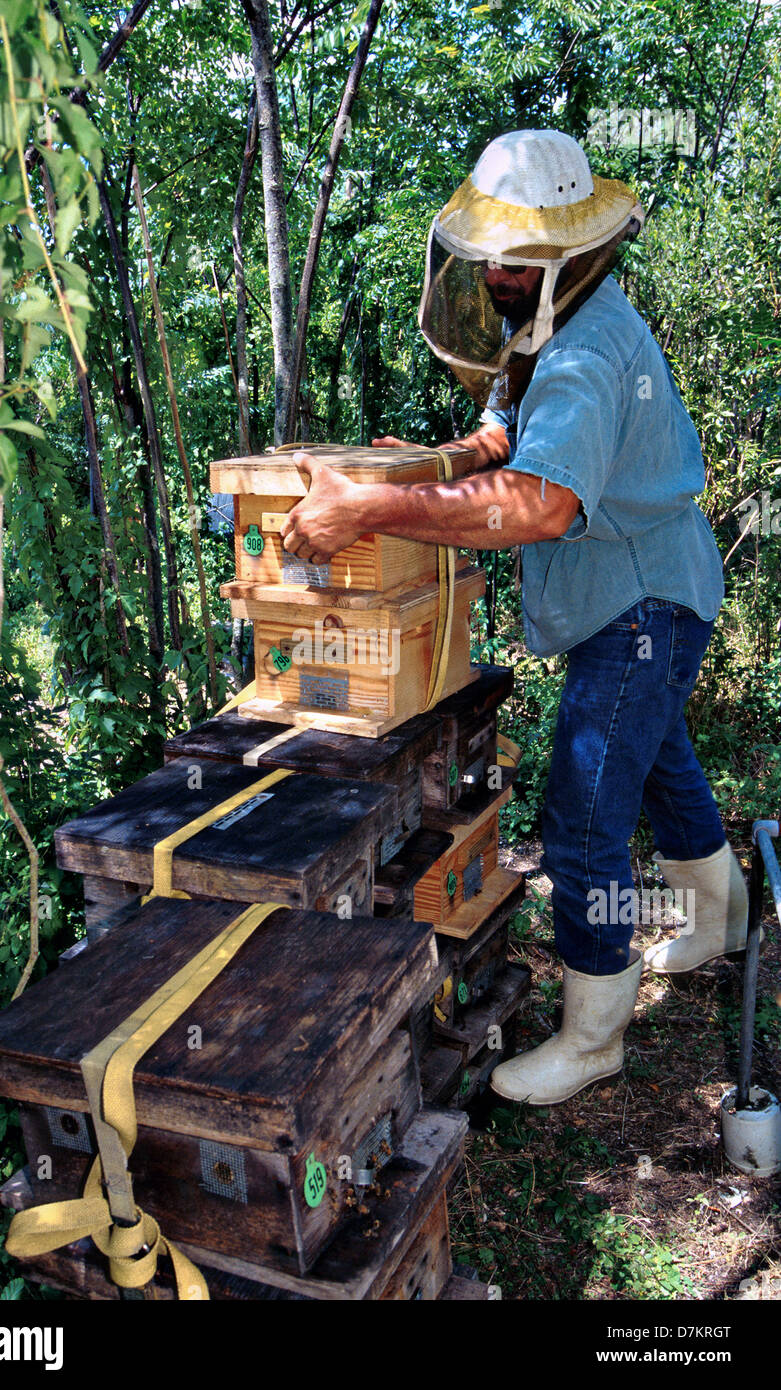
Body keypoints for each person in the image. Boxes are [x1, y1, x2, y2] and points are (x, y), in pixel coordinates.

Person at [280, 128, 748, 1106]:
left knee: (581, 820)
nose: (493, 272)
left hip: (639, 608)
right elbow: (501, 436)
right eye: (488, 251)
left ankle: (593, 1035)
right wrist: (423, 465)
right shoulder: (552, 322)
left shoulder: (583, 353)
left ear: (568, 251)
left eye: (514, 256)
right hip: (651, 584)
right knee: (661, 763)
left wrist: (368, 506)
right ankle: (718, 920)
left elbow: (539, 503)